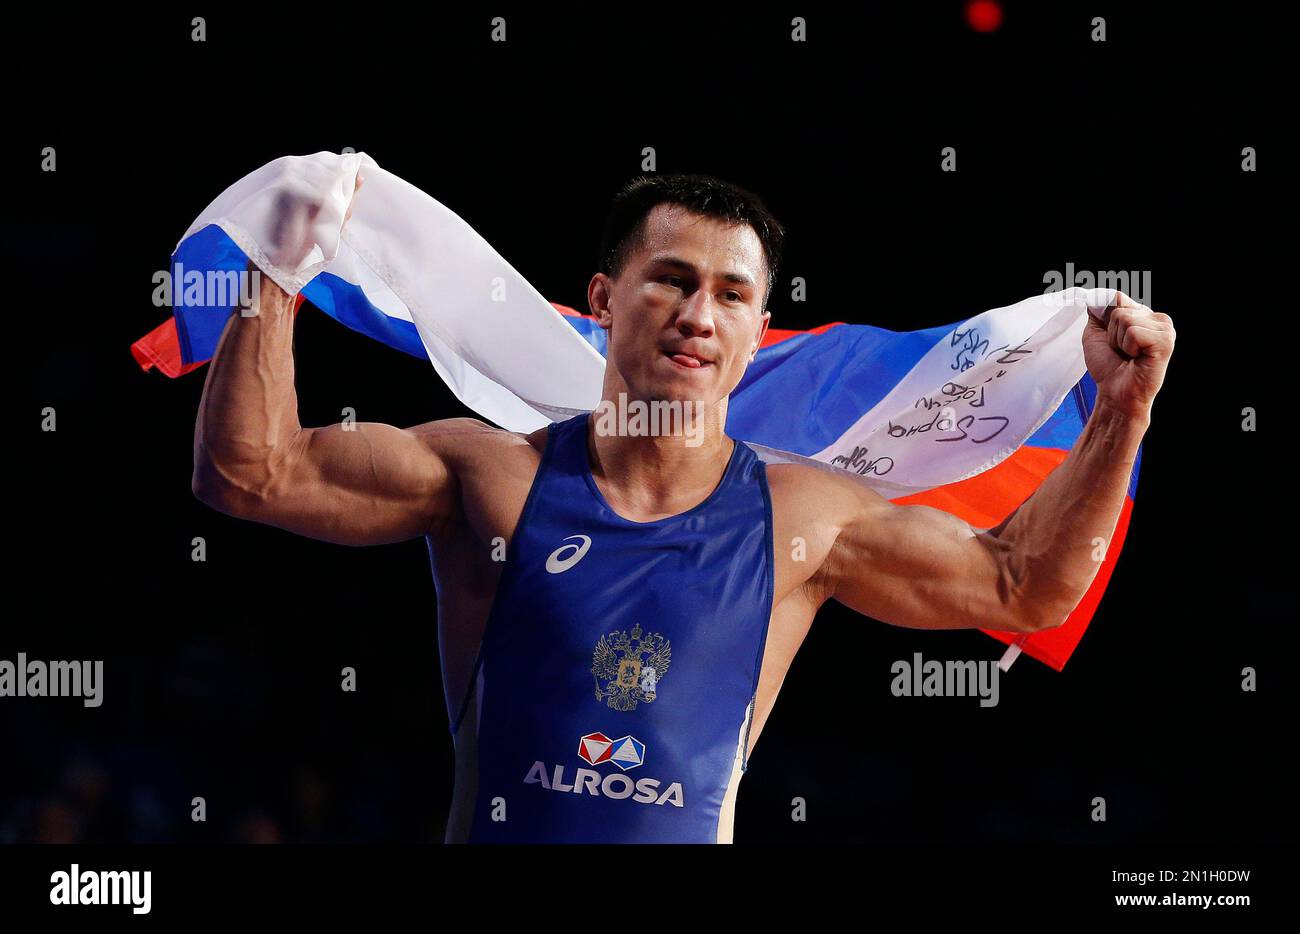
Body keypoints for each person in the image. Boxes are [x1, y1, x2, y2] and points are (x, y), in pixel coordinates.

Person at [191, 173, 1175, 843]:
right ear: (604, 298)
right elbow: (251, 474)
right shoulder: (489, 478)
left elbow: (1025, 588)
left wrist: (1119, 416)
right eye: (670, 280)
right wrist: (273, 269)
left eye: (730, 294)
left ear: (754, 329)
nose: (698, 313)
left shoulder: (802, 521)